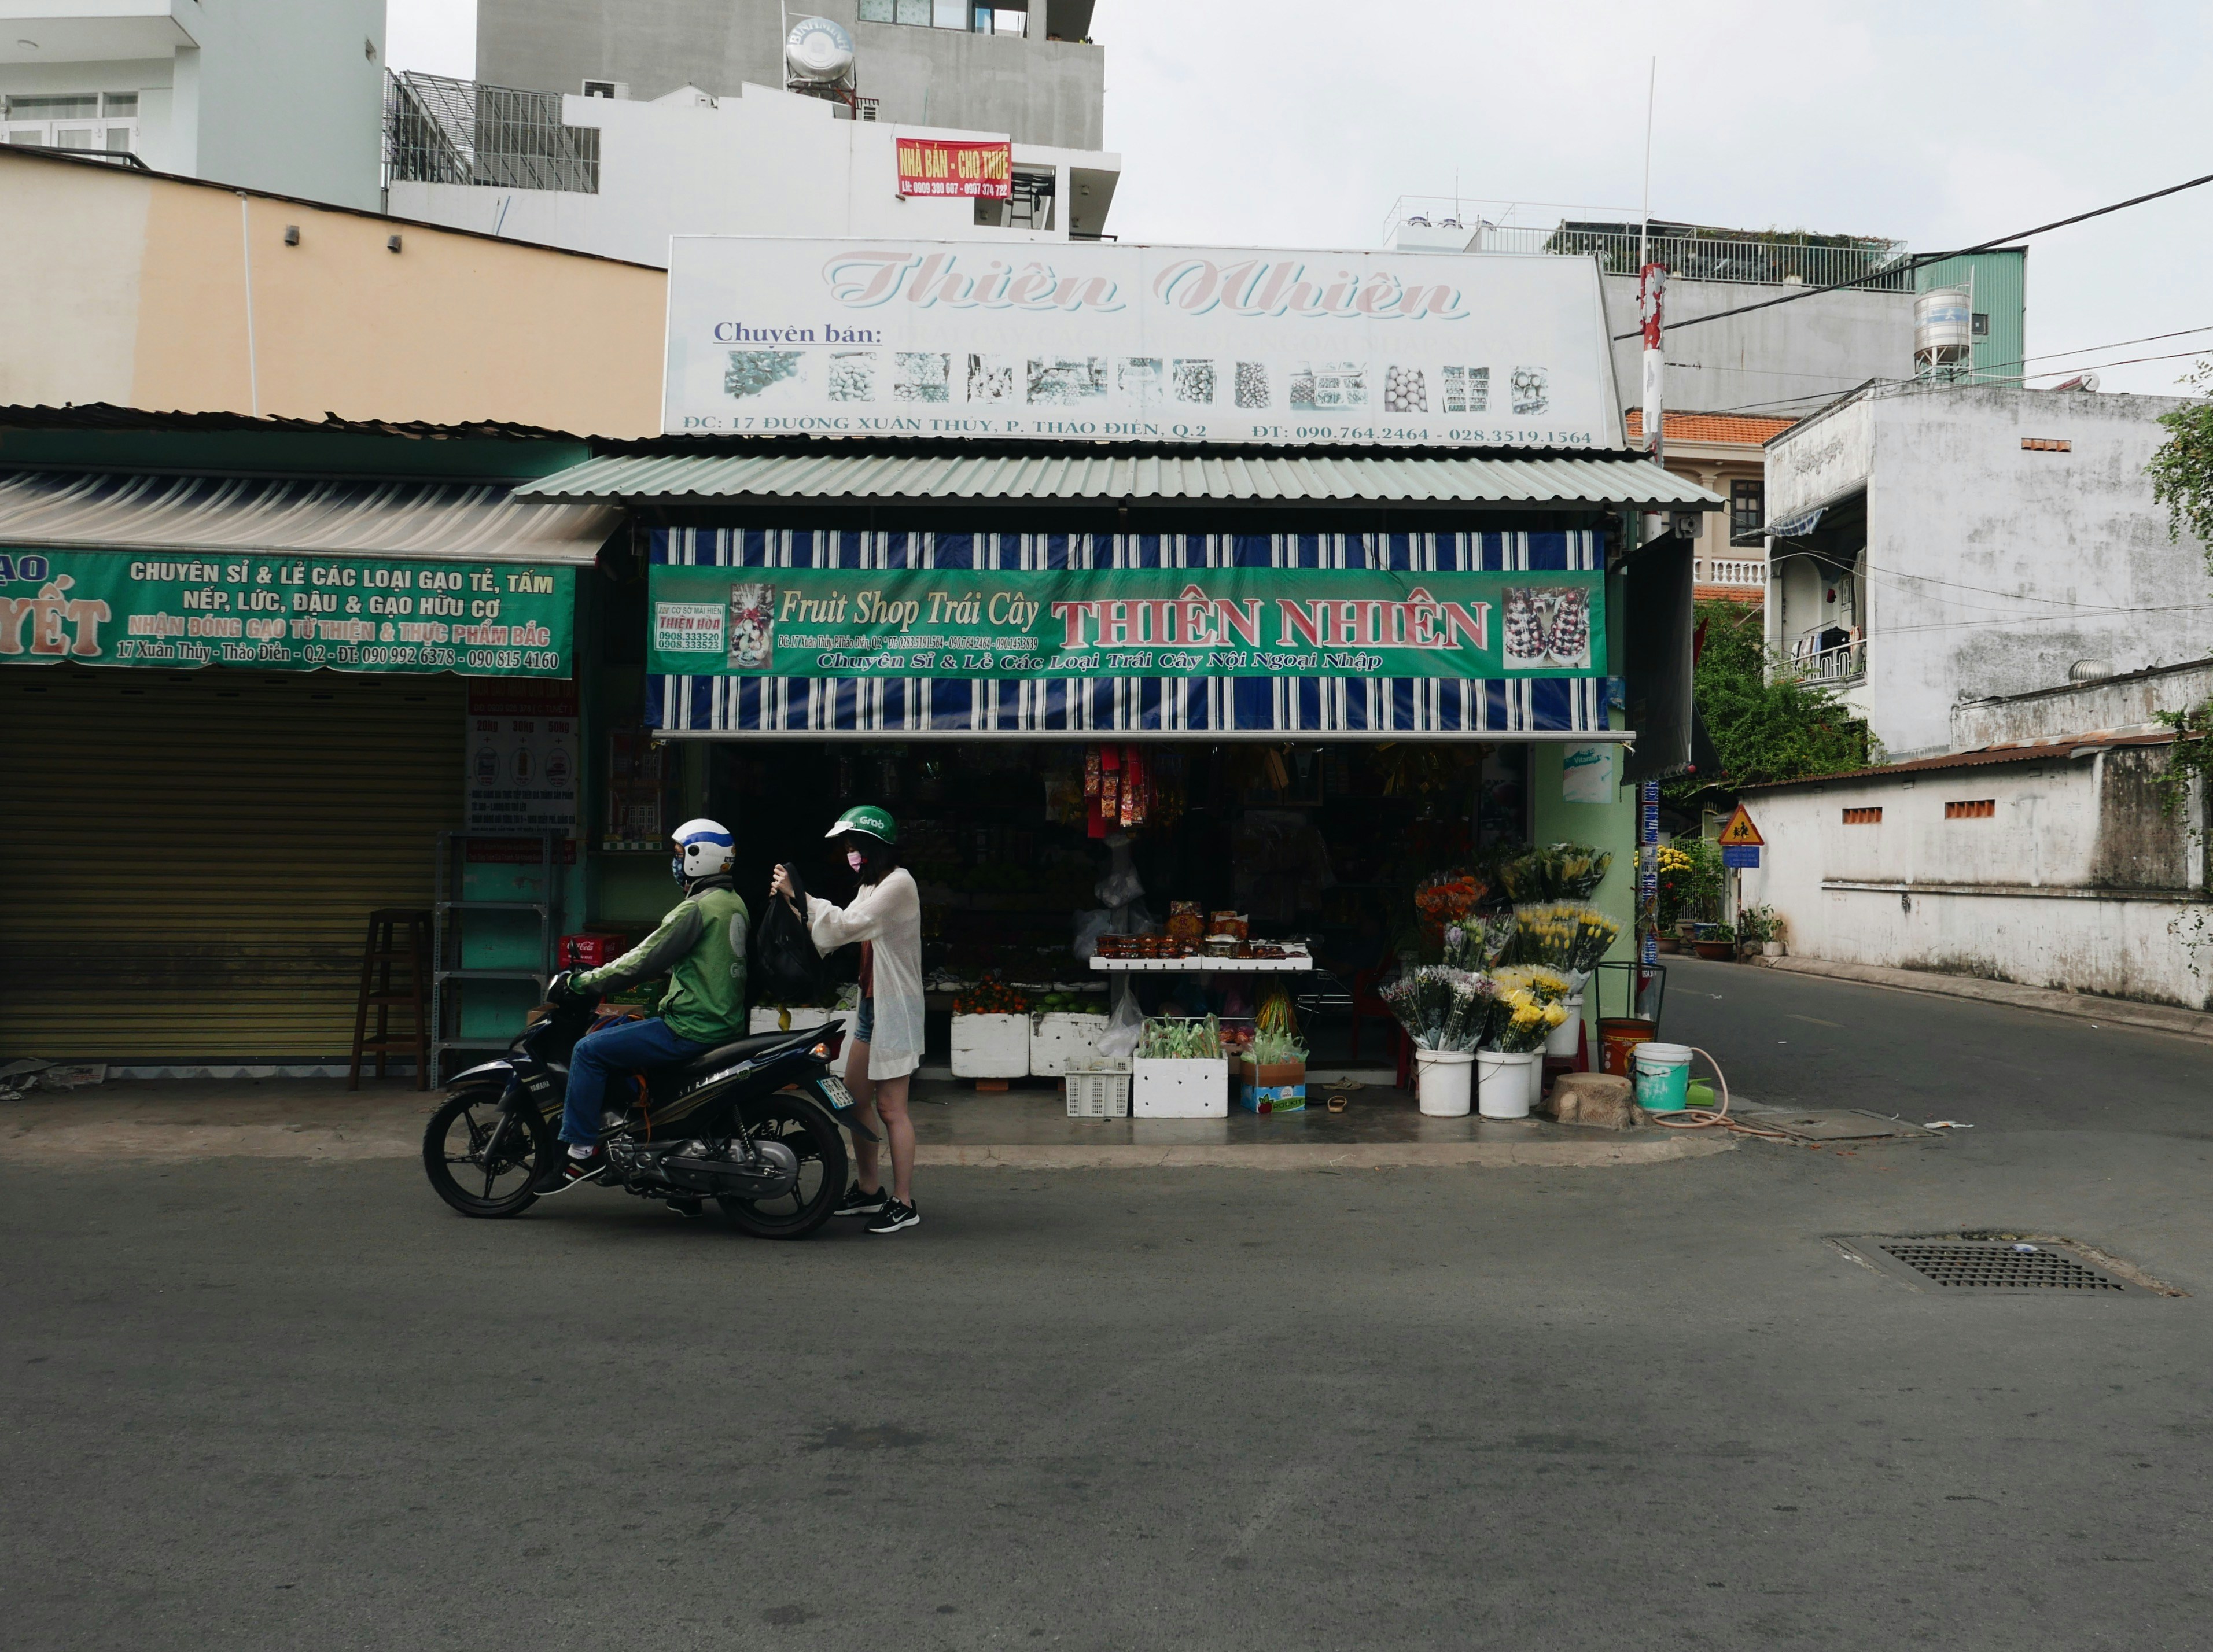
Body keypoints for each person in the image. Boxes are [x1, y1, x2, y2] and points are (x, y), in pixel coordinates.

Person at [546, 818, 750, 1200]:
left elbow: (642, 961)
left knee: (588, 1051)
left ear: (697, 858)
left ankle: (580, 1152)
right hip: (723, 1021)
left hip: (690, 1025)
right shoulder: (733, 903)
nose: (674, 864)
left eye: (678, 856)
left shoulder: (694, 910)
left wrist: (580, 983)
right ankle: (680, 1189)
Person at [770, 804, 922, 1235]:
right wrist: (798, 903)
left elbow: (844, 926)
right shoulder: (872, 886)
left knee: (893, 1109)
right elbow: (836, 928)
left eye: (854, 846)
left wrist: (798, 894)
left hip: (895, 1010)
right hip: (872, 1008)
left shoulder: (898, 884)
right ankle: (869, 1188)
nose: (849, 854)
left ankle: (904, 1201)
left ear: (874, 847)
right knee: (855, 1103)